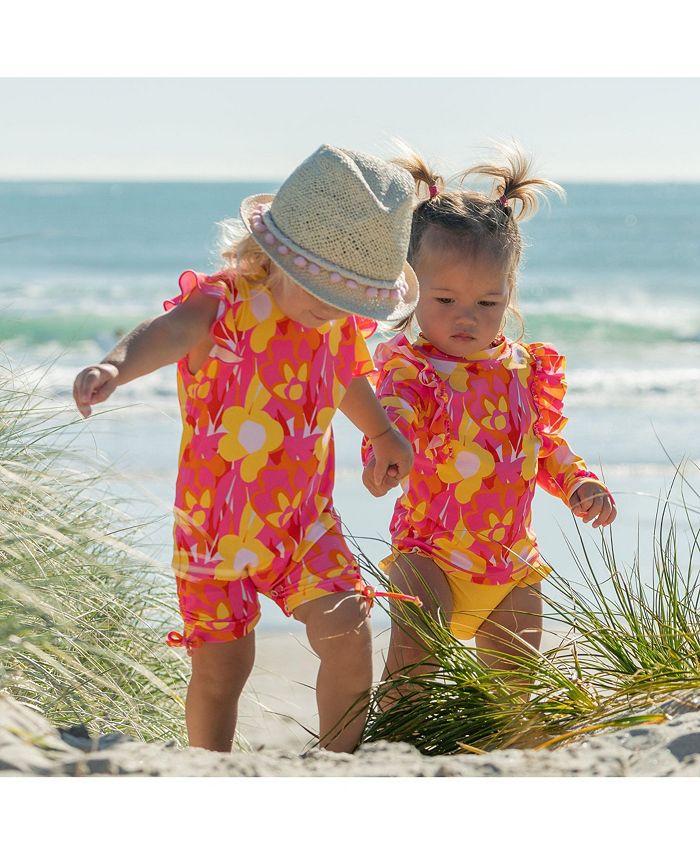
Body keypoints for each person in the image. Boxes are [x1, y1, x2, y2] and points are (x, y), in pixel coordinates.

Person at [73, 144, 420, 753]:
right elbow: (168, 332)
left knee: (348, 629)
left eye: (350, 301)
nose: (334, 311)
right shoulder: (224, 303)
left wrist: (383, 432)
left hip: (303, 522)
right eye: (323, 291)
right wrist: (114, 366)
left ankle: (336, 762)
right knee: (222, 668)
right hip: (214, 527)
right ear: (277, 255)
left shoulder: (332, 324)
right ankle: (211, 769)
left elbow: (346, 378)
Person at [362, 144, 617, 694]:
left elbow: (542, 442)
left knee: (515, 689)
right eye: (446, 299)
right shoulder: (414, 369)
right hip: (429, 554)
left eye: (487, 303)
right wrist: (385, 452)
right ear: (408, 291)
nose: (465, 318)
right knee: (414, 666)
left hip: (513, 562)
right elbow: (391, 417)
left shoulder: (525, 369)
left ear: (509, 295)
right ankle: (390, 751)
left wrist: (579, 482)